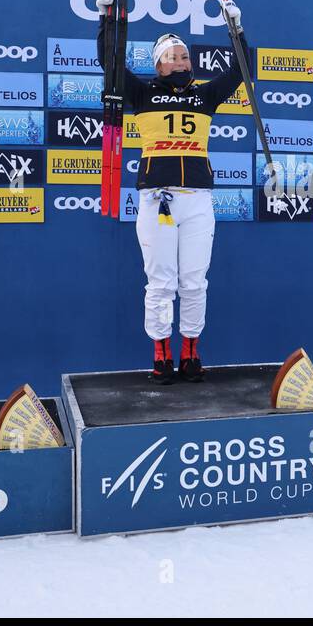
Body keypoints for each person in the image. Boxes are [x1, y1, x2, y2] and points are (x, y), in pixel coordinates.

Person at [116, 27, 243, 384]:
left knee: (194, 281)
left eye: (185, 55)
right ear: (158, 65)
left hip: (198, 200)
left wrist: (238, 30)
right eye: (172, 56)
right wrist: (107, 20)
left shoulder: (205, 96)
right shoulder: (142, 93)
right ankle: (161, 354)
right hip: (157, 199)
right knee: (160, 282)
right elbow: (109, 63)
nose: (181, 61)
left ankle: (190, 350)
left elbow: (242, 68)